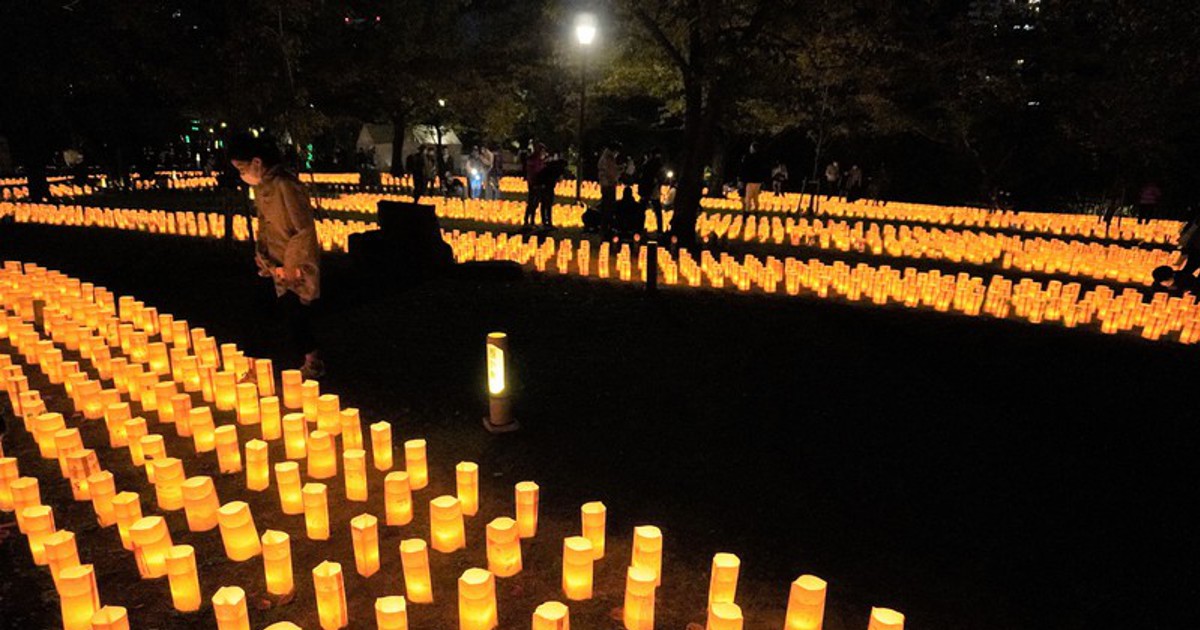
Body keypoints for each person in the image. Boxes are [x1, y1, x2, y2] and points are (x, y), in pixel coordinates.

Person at [228, 133, 324, 378]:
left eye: (242, 167)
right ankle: (255, 367)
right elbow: (265, 224)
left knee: (296, 316)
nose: (242, 174)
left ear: (257, 163)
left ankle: (313, 362)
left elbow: (302, 229)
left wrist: (291, 266)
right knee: (259, 312)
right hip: (272, 263)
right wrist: (261, 254)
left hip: (294, 264)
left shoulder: (285, 185)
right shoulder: (262, 188)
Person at [637, 148, 666, 233]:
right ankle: (660, 229)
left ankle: (639, 228)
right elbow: (661, 177)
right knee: (657, 210)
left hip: (647, 189)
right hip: (653, 188)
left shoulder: (647, 164)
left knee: (642, 209)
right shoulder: (658, 165)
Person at [523, 144, 548, 229]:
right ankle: (527, 220)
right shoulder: (534, 160)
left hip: (538, 182)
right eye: (542, 151)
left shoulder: (540, 160)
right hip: (534, 183)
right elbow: (535, 171)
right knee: (532, 202)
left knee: (535, 202)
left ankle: (531, 220)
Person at [739, 142, 768, 213]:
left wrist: (741, 179)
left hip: (750, 180)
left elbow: (744, 169)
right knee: (755, 197)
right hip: (758, 181)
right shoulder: (761, 158)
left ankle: (747, 211)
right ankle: (756, 210)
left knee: (748, 197)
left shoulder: (748, 158)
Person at [597, 143, 621, 227]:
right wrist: (614, 179)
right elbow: (610, 172)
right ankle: (607, 223)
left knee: (606, 204)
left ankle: (605, 223)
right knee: (608, 205)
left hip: (606, 183)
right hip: (608, 184)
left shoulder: (605, 157)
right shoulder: (608, 158)